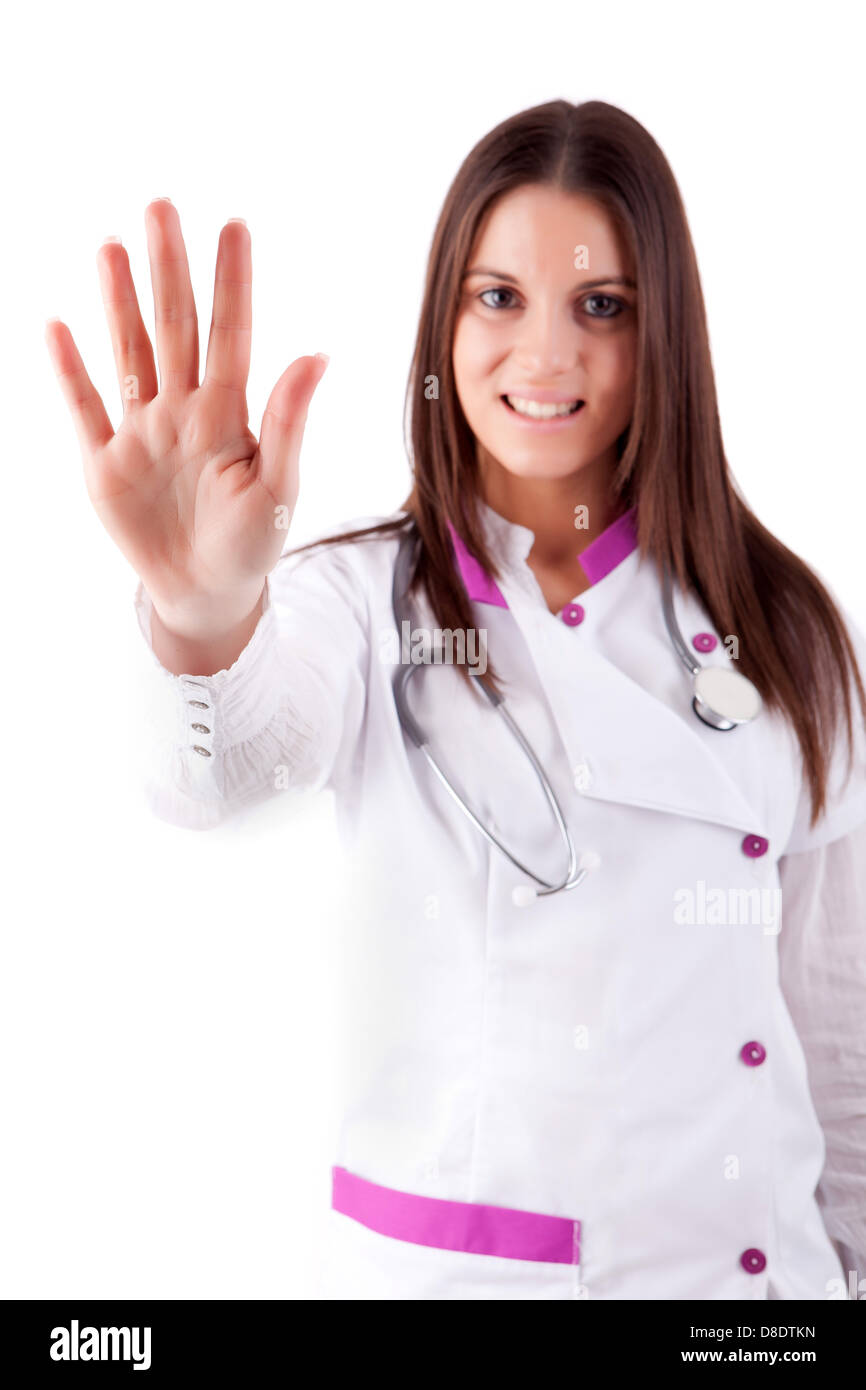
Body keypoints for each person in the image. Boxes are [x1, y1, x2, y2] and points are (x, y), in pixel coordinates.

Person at [45, 99, 866, 1301]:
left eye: (601, 306)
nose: (544, 356)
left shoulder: (785, 626)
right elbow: (212, 774)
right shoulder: (357, 601)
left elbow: (830, 1018)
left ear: (664, 339)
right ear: (442, 323)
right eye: (498, 298)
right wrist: (202, 611)